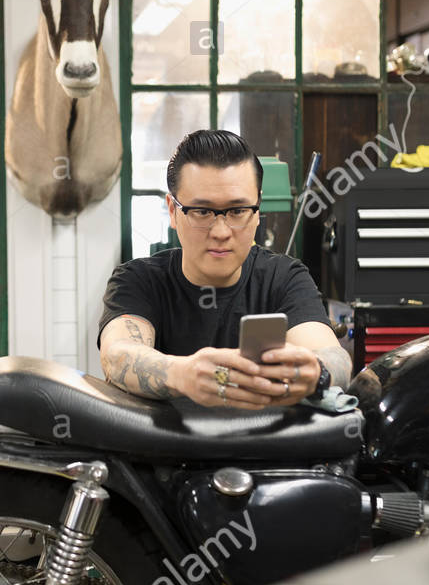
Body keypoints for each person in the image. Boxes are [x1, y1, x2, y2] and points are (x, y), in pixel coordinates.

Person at [98, 129, 350, 408]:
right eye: (202, 212)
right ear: (172, 210)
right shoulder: (139, 280)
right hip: (163, 448)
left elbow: (335, 357)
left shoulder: (284, 277)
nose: (220, 231)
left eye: (237, 211)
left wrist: (316, 371)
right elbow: (118, 355)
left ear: (257, 210)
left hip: (261, 448)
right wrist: (184, 375)